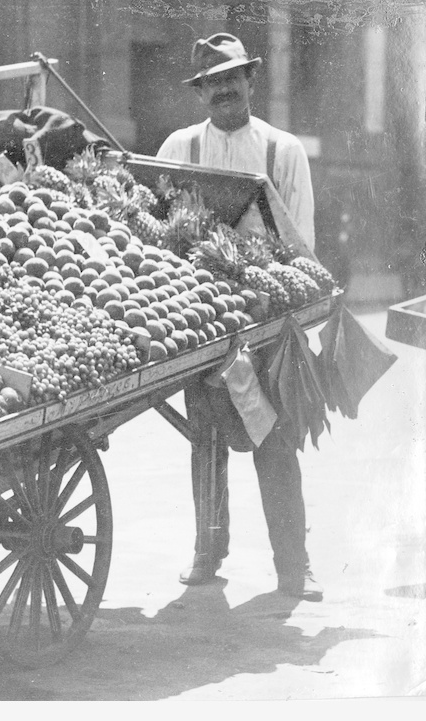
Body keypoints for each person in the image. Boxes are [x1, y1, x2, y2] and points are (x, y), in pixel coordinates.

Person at [156, 33, 322, 601]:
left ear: (251, 80)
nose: (223, 89)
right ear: (200, 91)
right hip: (200, 319)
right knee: (204, 437)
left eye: (232, 78)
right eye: (211, 83)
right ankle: (209, 550)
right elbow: (157, 240)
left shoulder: (284, 151)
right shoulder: (179, 147)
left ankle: (294, 564)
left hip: (269, 320)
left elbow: (303, 249)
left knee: (275, 438)